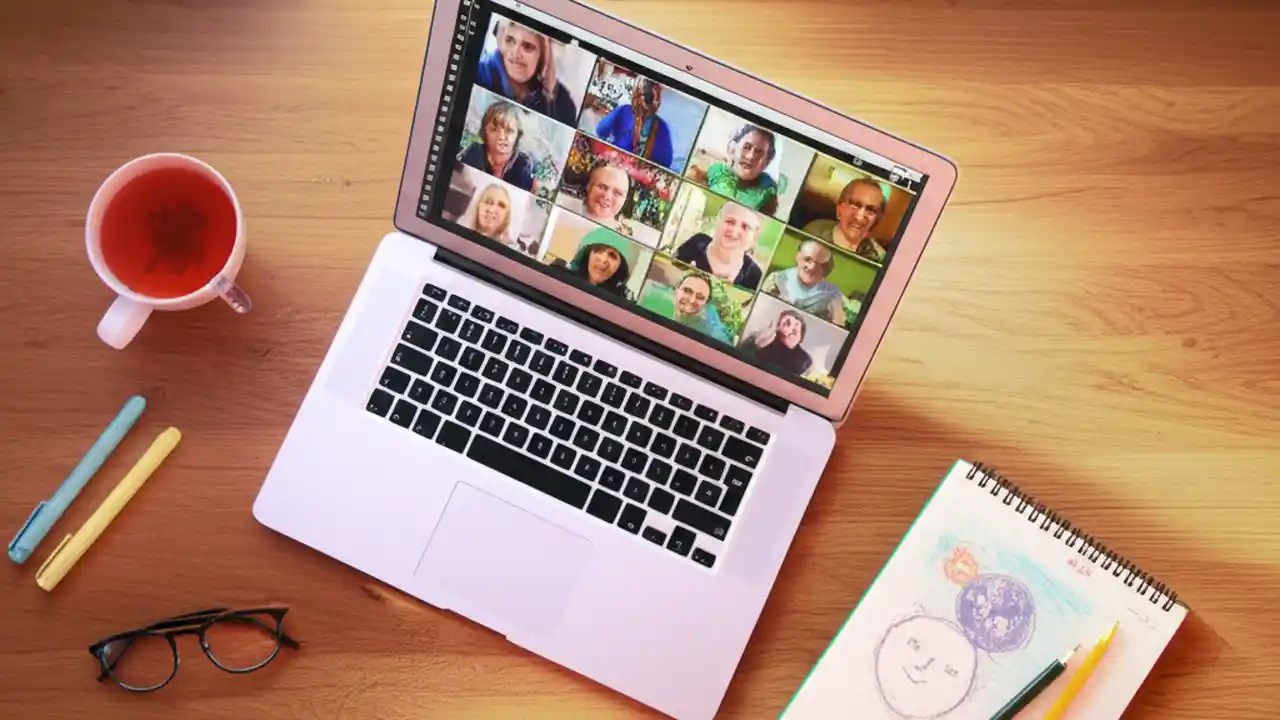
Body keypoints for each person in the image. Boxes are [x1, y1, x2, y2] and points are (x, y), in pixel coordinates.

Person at [476, 20, 578, 125]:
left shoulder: (562, 101)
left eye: (528, 46)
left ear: (543, 55)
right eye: (510, 40)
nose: (516, 53)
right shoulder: (479, 74)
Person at [688, 123, 780, 215]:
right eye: (746, 147)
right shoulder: (714, 170)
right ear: (732, 149)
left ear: (767, 162)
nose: (750, 156)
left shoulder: (767, 191)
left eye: (759, 152)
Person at [673, 202, 764, 289]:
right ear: (718, 221)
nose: (734, 231)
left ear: (754, 236)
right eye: (730, 222)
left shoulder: (754, 274)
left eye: (745, 227)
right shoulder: (696, 244)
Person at [759, 239, 847, 325]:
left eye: (820, 264)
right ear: (798, 257)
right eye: (808, 260)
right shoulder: (775, 280)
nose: (812, 267)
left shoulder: (834, 296)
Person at [594, 79, 675, 170]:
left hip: (614, 165)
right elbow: (666, 162)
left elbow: (600, 130)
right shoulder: (662, 127)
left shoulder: (623, 110)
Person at [802, 178, 888, 262]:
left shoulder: (879, 258)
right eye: (855, 205)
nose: (859, 217)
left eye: (871, 210)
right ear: (839, 209)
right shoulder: (814, 233)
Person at [458, 101, 535, 191]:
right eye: (494, 130)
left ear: (518, 135)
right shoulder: (474, 152)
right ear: (484, 132)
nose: (501, 137)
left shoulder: (523, 165)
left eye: (509, 131)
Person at [556, 226, 636, 299]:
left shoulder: (622, 300)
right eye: (598, 250)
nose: (603, 259)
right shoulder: (560, 276)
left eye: (612, 255)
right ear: (588, 255)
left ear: (620, 266)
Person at [741, 308, 813, 375]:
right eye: (787, 323)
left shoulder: (805, 361)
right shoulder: (762, 342)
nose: (791, 328)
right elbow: (744, 352)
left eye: (796, 325)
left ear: (801, 337)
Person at [668, 271, 731, 343]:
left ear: (706, 304)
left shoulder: (714, 335)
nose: (692, 300)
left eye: (700, 297)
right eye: (687, 290)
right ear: (676, 290)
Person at [580, 160, 634, 237]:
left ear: (625, 199)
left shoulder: (622, 237)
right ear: (588, 186)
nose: (607, 197)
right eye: (602, 187)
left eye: (617, 193)